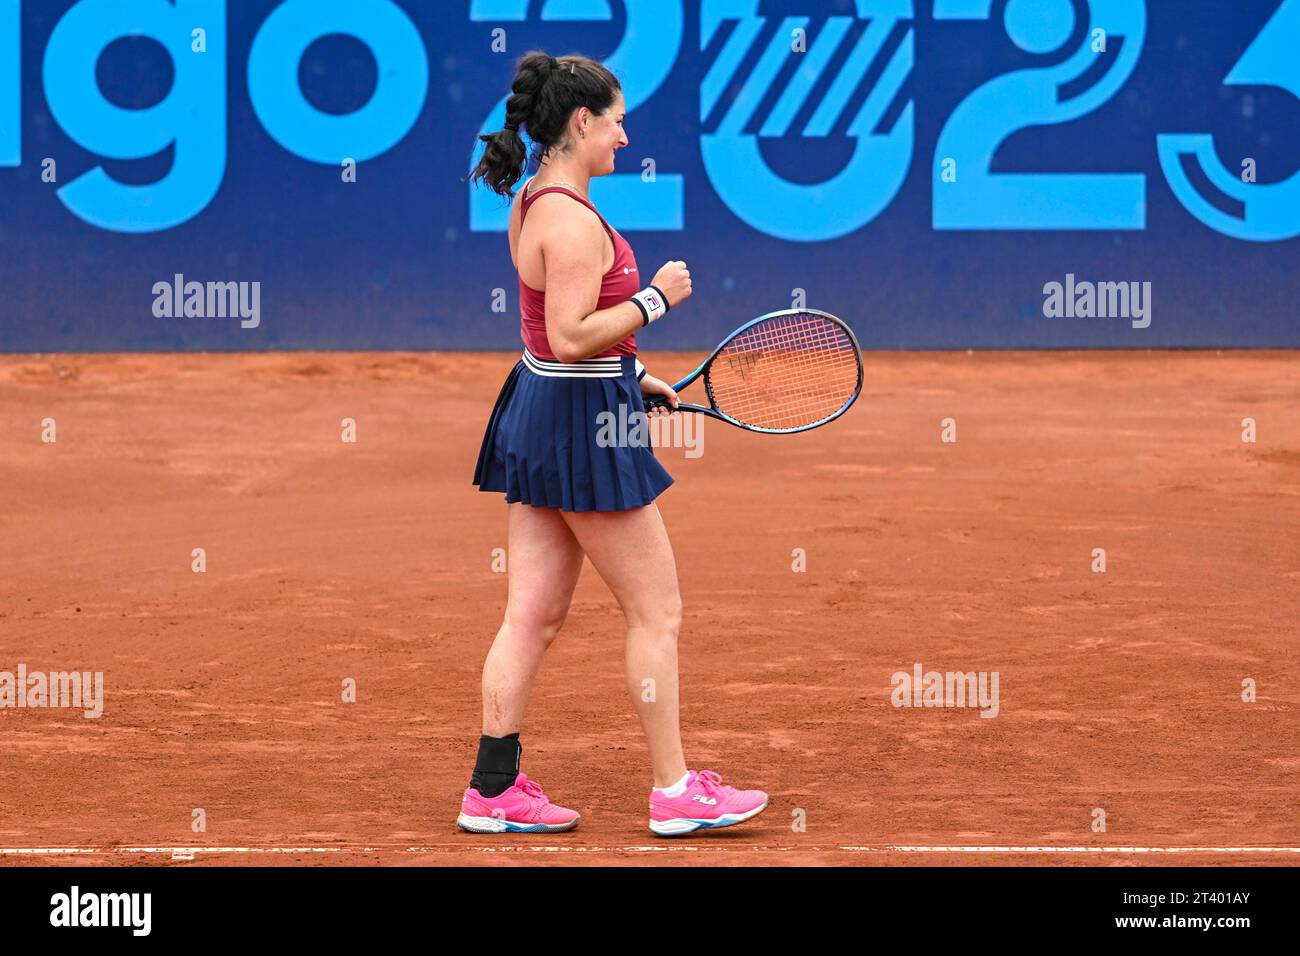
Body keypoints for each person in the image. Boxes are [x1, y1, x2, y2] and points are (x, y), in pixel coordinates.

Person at [459, 51, 768, 836]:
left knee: (531, 615)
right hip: (579, 426)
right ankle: (673, 792)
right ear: (582, 121)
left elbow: (557, 336)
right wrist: (656, 299)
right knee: (657, 612)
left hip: (546, 414)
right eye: (619, 121)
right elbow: (568, 336)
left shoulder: (534, 201)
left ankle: (493, 788)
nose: (627, 137)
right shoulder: (567, 219)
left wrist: (632, 377)